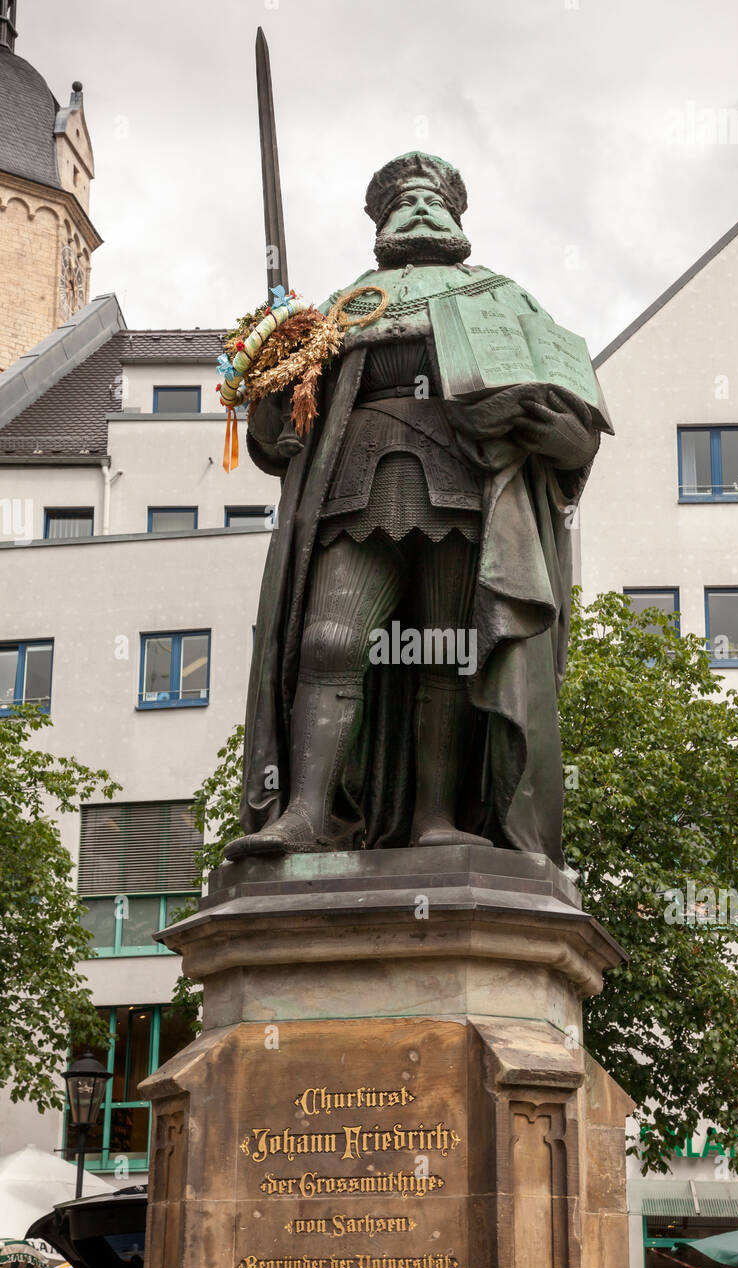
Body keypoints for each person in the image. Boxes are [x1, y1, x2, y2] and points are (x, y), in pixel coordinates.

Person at [231, 152, 601, 866]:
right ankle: (305, 812)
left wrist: (566, 434)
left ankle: (437, 818)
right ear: (381, 220)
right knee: (329, 641)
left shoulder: (501, 297)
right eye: (406, 201)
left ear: (457, 217)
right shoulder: (338, 307)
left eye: (435, 201)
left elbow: (568, 405)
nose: (422, 210)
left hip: (468, 487)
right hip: (351, 484)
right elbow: (284, 428)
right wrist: (272, 401)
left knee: (446, 650)